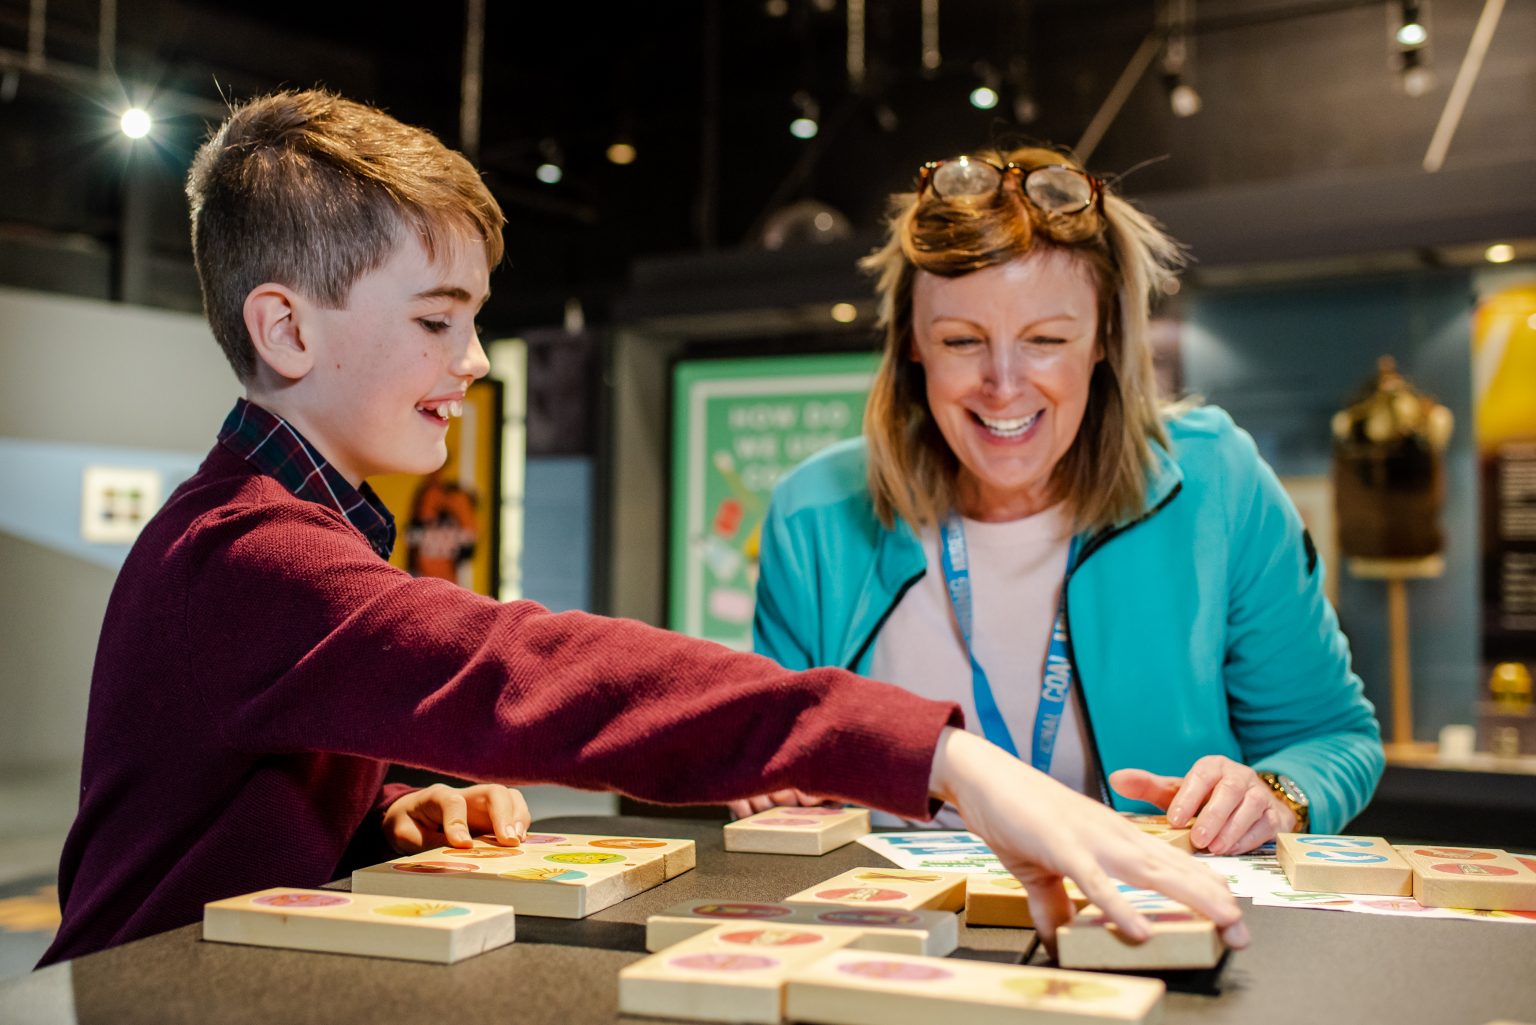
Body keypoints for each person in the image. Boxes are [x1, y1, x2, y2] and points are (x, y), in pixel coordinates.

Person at [41, 99, 1246, 965]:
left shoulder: (283, 527)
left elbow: (227, 796)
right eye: (437, 319)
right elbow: (534, 670)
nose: (473, 360)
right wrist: (948, 758)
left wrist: (387, 805)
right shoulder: (255, 555)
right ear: (287, 329)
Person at [750, 147, 1384, 854]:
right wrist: (770, 775)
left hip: (1143, 909)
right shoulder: (813, 511)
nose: (1003, 385)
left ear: (1105, 338)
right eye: (961, 341)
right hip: (886, 916)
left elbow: (1331, 737)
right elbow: (774, 752)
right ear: (912, 345)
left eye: (1046, 339)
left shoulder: (1216, 482)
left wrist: (1276, 795)